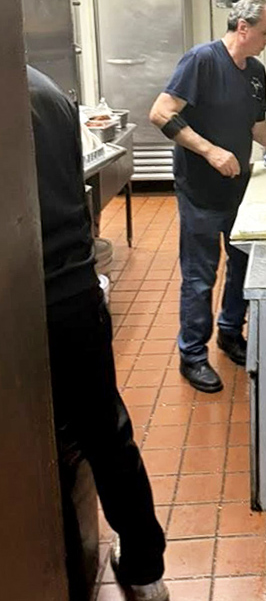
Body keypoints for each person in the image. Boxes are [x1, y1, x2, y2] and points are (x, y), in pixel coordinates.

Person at [27, 65, 168, 601]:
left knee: (36, 447)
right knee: (106, 434)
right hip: (76, 294)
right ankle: (145, 569)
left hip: (25, 302)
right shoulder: (45, 90)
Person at [149, 0, 266, 393]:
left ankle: (230, 333)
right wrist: (210, 150)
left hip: (239, 186)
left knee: (241, 265)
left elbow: (258, 129)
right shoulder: (201, 60)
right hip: (199, 189)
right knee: (200, 277)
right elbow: (161, 112)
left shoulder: (256, 71)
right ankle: (192, 355)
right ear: (244, 28)